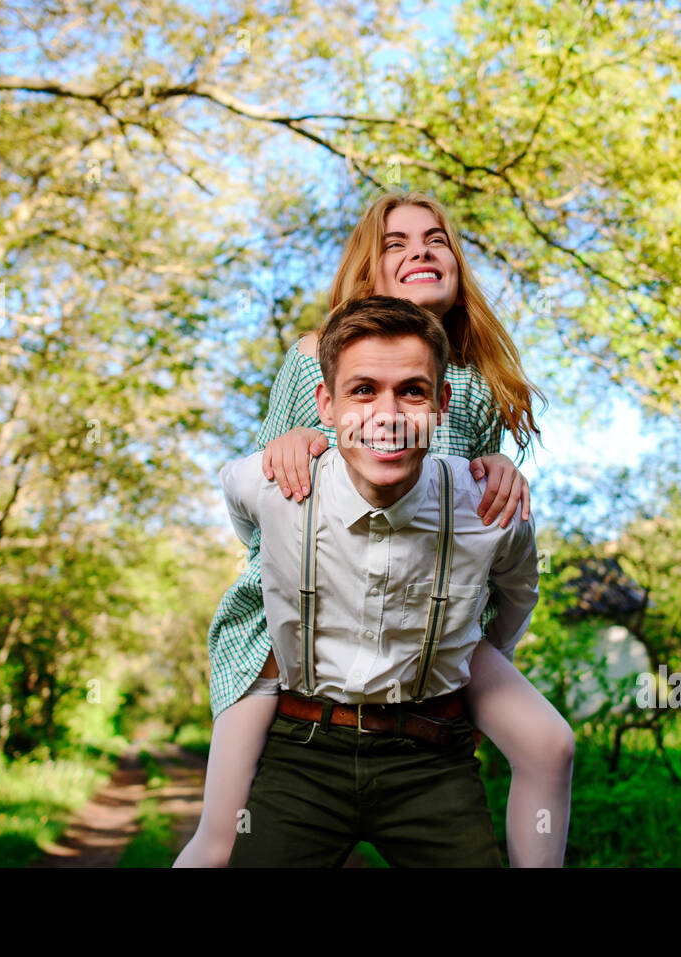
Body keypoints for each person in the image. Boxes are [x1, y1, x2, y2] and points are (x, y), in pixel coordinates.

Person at [175, 190, 573, 867]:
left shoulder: (471, 385)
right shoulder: (317, 357)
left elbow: (471, 507)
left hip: (429, 612)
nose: (420, 249)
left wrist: (497, 463)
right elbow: (265, 502)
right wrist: (295, 440)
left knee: (549, 743)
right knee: (219, 839)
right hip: (306, 610)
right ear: (369, 273)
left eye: (435, 238)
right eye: (396, 243)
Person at [223, 295, 536, 865]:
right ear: (327, 403)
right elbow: (238, 501)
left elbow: (518, 593)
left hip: (432, 757)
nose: (387, 414)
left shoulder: (487, 509)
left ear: (442, 404)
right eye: (363, 390)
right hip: (303, 752)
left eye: (412, 391)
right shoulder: (274, 484)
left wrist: (482, 657)